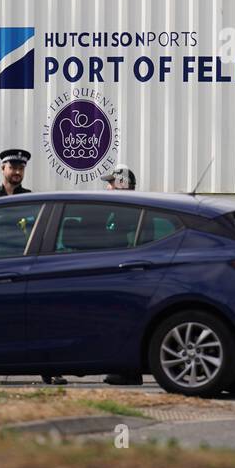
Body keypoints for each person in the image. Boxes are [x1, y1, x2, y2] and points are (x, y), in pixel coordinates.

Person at [100, 162, 142, 385]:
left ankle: (128, 371)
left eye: (111, 184)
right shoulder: (120, 211)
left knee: (123, 322)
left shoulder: (128, 213)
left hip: (127, 275)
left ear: (121, 185)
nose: (108, 188)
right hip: (123, 273)